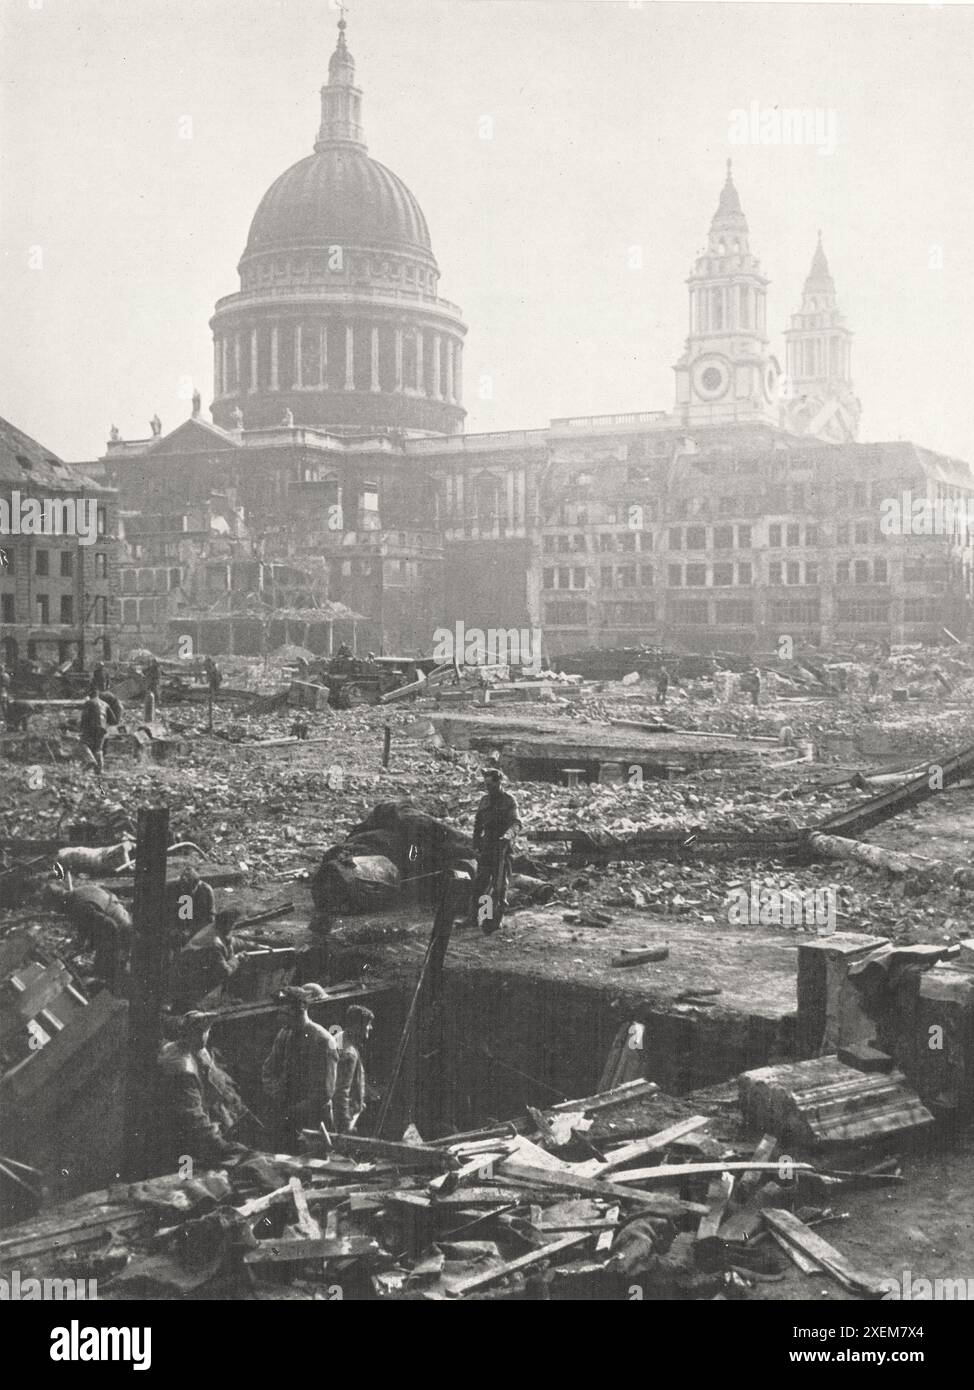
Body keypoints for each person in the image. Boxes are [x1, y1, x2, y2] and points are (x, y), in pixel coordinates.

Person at [157, 1012, 250, 1171]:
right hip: (183, 1134)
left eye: (205, 1032)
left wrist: (239, 1111)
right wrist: (220, 1144)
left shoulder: (199, 1050)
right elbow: (192, 1113)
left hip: (204, 1123)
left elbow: (219, 1086)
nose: (202, 1038)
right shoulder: (181, 1067)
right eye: (196, 1033)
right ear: (185, 1034)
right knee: (190, 1180)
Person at [261, 986, 340, 1145]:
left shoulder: (323, 1040)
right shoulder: (285, 1034)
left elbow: (324, 1092)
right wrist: (277, 1094)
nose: (280, 1018)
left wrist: (293, 1111)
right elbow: (269, 1070)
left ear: (300, 1010)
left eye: (285, 1013)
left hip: (315, 1121)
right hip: (288, 1116)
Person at [48, 879, 132, 993]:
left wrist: (96, 944)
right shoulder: (80, 892)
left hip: (121, 929)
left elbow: (110, 926)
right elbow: (87, 923)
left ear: (58, 902)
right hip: (121, 920)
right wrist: (81, 943)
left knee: (103, 972)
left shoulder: (78, 906)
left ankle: (113, 992)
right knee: (104, 967)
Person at [470, 768, 521, 935]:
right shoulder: (484, 801)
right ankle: (474, 917)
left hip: (502, 849)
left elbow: (516, 823)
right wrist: (476, 845)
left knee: (499, 887)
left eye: (491, 785)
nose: (488, 788)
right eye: (486, 785)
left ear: (499, 783)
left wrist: (507, 836)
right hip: (487, 847)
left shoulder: (509, 801)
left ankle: (493, 921)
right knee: (480, 883)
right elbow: (477, 826)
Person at [172, 906, 244, 1011]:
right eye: (233, 925)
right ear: (227, 925)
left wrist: (254, 946)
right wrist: (237, 959)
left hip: (189, 980)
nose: (234, 927)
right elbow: (224, 972)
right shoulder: (213, 943)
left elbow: (231, 942)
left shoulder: (215, 928)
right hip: (190, 989)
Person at [334, 1005, 375, 1134]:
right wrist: (345, 1124)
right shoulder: (349, 1054)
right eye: (368, 1024)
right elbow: (341, 1091)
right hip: (345, 1116)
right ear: (358, 1026)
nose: (370, 1027)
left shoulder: (340, 1037)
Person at [176, 867, 216, 942]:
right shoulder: (180, 888)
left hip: (201, 926)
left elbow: (211, 918)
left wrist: (194, 931)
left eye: (190, 890)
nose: (187, 892)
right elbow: (183, 914)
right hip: (188, 927)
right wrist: (183, 929)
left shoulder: (206, 890)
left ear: (196, 884)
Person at [79, 692, 109, 774]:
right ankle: (99, 770)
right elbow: (113, 718)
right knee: (98, 748)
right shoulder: (105, 704)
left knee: (83, 744)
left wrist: (81, 729)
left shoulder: (89, 702)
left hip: (91, 727)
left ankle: (90, 760)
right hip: (102, 729)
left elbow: (84, 717)